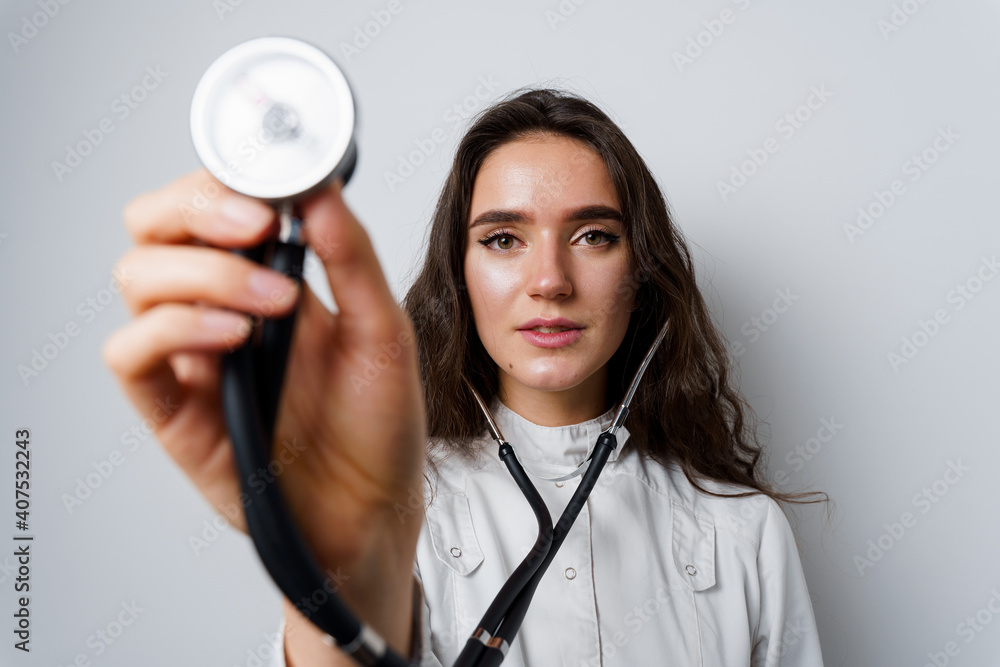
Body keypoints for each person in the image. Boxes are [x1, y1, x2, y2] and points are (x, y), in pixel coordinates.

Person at [103, 87, 828, 666]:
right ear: (461, 274)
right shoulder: (398, 497)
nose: (549, 279)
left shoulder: (745, 532)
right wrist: (339, 580)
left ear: (641, 273)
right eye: (504, 239)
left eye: (594, 236)